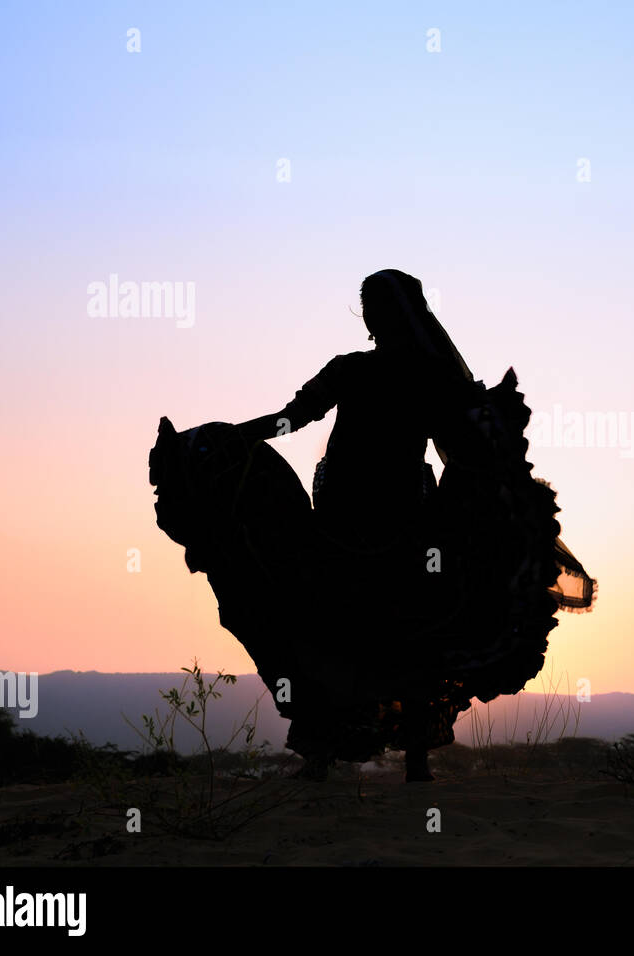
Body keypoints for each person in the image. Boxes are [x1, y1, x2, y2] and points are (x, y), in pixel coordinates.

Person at [150, 270, 595, 782]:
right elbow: (294, 418)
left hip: (382, 516)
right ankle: (394, 758)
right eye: (366, 303)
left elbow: (294, 420)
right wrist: (234, 436)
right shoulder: (399, 373)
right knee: (384, 625)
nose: (368, 312)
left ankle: (372, 757)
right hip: (367, 514)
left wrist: (237, 436)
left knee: (356, 624)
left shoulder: (392, 374)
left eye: (374, 303)